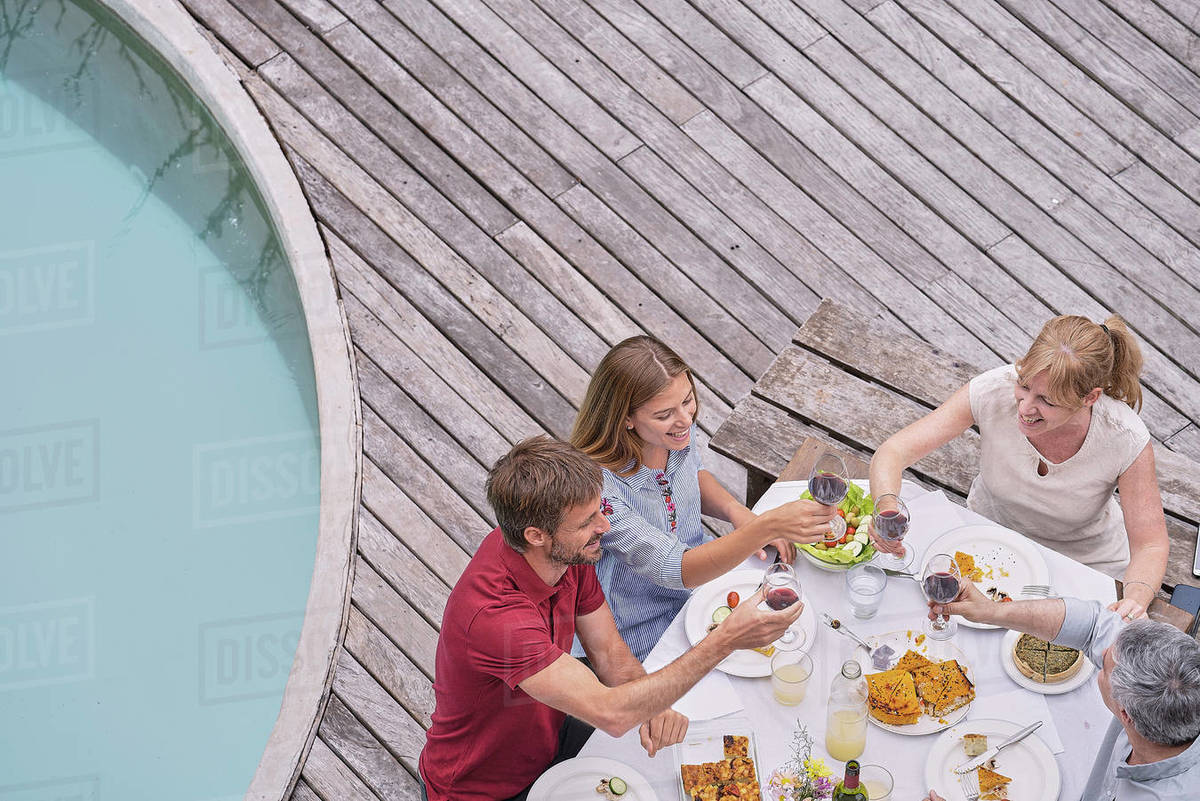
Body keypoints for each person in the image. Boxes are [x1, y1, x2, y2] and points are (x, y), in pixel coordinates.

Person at [418, 436, 804, 801]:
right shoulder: (495, 616)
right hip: (481, 789)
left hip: (549, 738)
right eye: (587, 521)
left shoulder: (568, 554)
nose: (603, 526)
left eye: (600, 509)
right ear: (536, 535)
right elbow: (613, 715)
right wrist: (725, 640)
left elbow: (610, 655)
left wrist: (652, 701)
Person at [869, 314, 1168, 620]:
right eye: (1023, 385)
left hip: (1081, 566)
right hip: (988, 543)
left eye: (1047, 402)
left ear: (1089, 398)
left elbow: (1151, 545)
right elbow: (893, 451)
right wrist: (886, 507)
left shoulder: (1124, 437)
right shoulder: (992, 390)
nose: (1025, 408)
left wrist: (1135, 599)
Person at [569, 335, 836, 659]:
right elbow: (674, 567)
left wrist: (736, 511)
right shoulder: (597, 489)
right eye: (664, 413)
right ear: (626, 418)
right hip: (634, 626)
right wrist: (764, 527)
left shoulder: (675, 433)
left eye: (688, 400)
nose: (685, 419)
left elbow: (692, 475)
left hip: (702, 589)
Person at [921, 581, 1200, 800]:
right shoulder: (1164, 690)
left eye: (1103, 665)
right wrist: (993, 611)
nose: (1100, 649)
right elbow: (1093, 625)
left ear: (1126, 714)